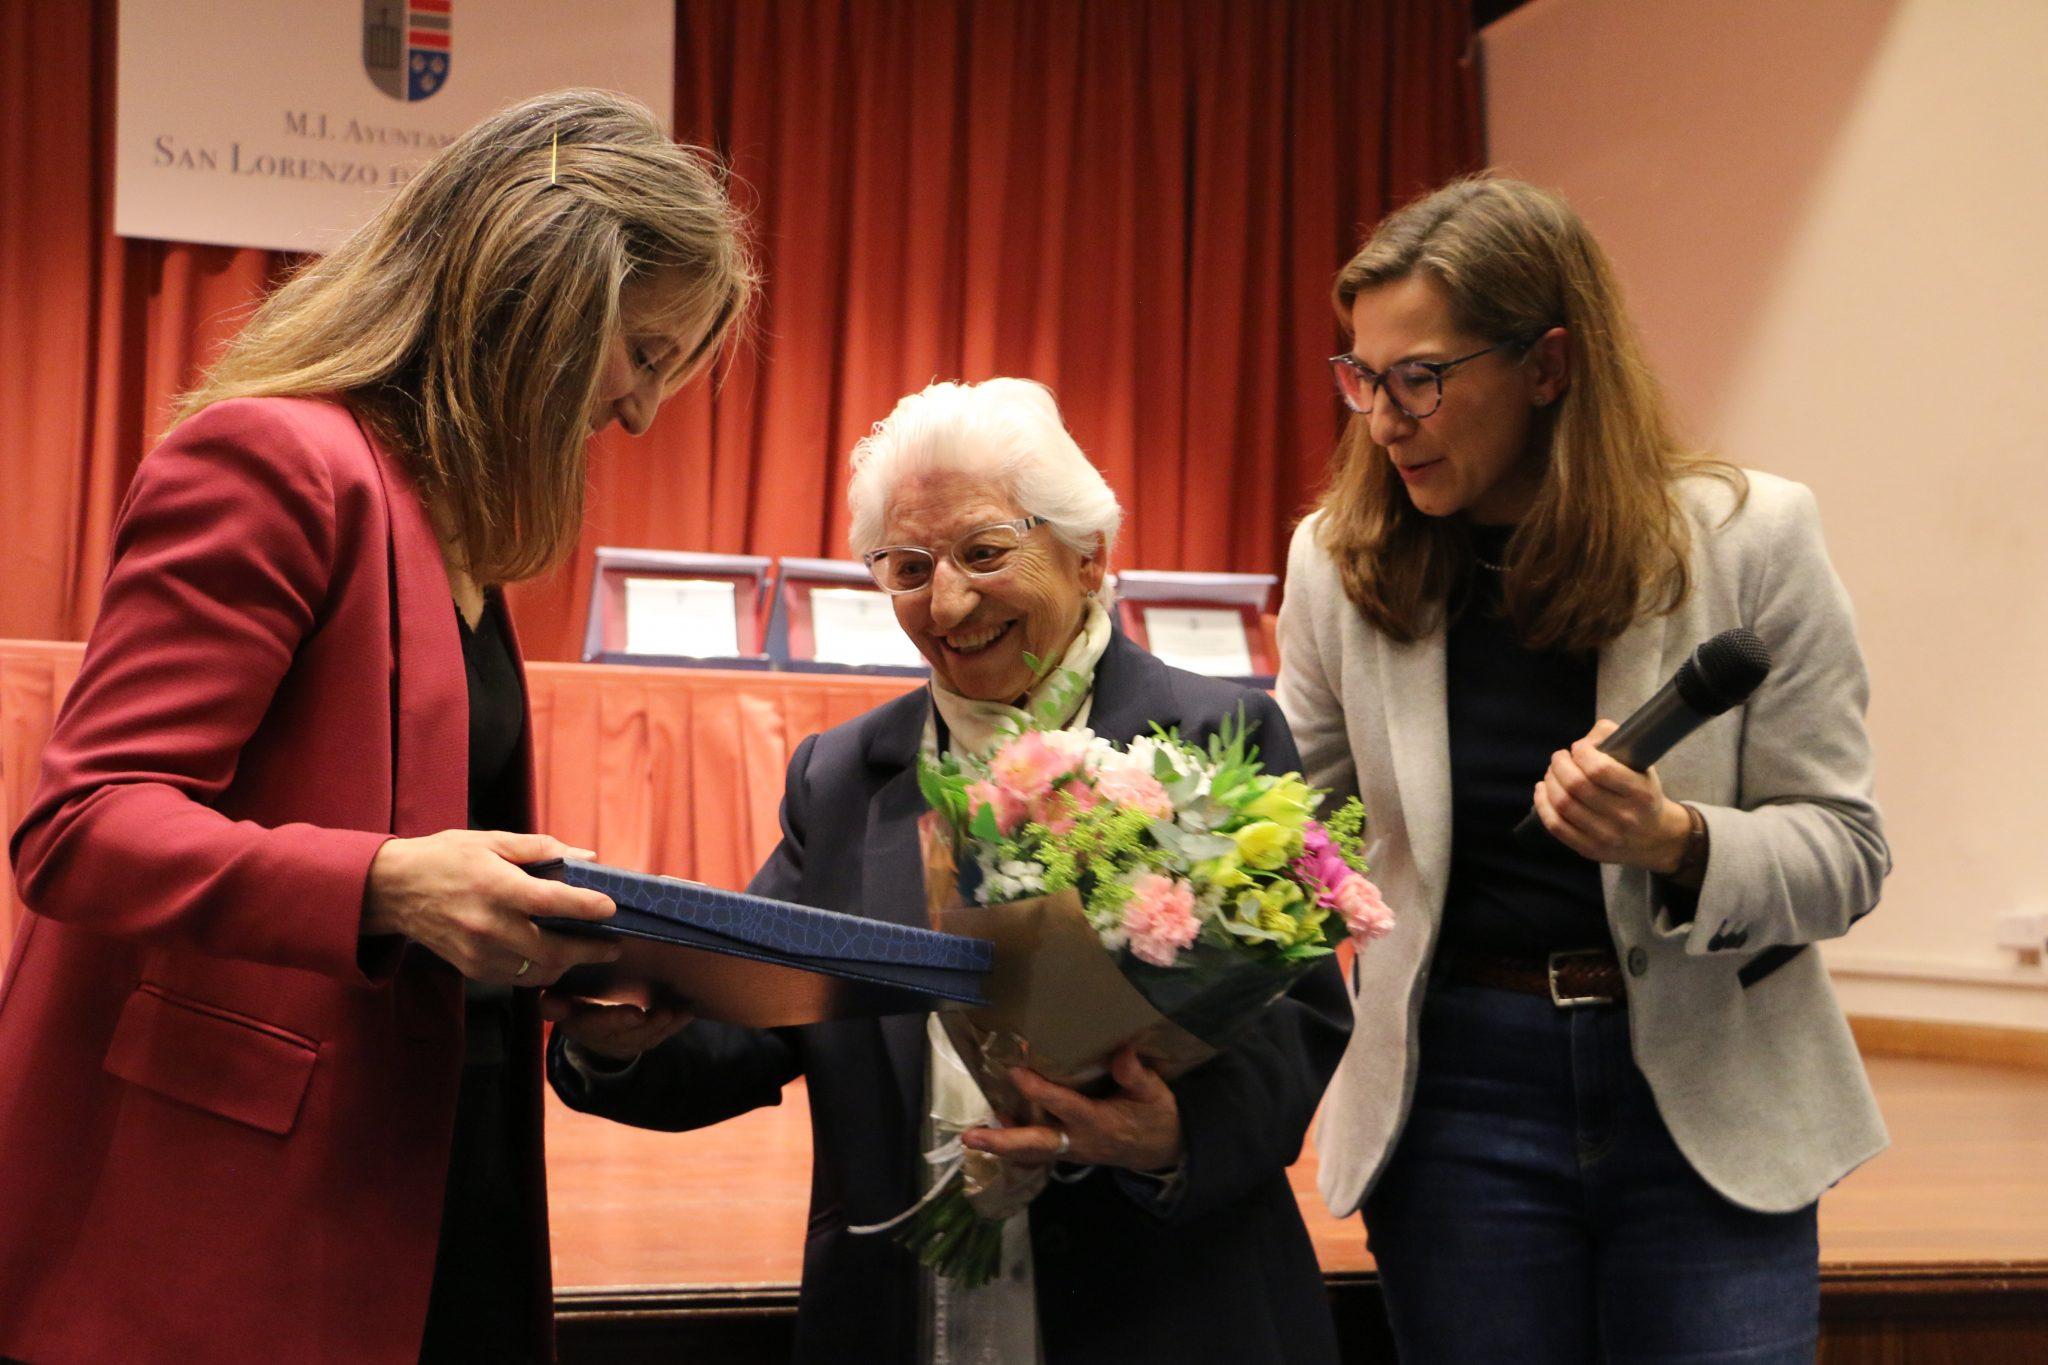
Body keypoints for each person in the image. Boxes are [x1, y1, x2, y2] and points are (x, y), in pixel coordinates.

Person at [0, 89, 755, 1363]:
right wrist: (390, 886)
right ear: (536, 300)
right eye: (643, 352)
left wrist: (569, 971)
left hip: (430, 1161)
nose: (638, 411)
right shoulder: (275, 461)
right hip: (231, 1212)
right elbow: (81, 829)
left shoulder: (450, 529)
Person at [546, 378, 1351, 1364]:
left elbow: (1298, 1024)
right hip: (906, 1313)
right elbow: (747, 1028)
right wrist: (618, 1036)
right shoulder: (844, 780)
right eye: (909, 567)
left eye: (983, 553)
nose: (949, 601)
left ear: (1089, 553)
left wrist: (1166, 1133)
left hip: (1165, 1308)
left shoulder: (1211, 733)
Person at [1278, 175, 1889, 1363]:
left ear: (1548, 365)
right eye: (1361, 378)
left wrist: (1677, 842)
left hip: (1710, 1093)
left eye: (1421, 377)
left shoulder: (1750, 539)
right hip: (1453, 1100)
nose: (1384, 419)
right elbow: (1292, 840)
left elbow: (1845, 855)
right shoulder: (1334, 564)